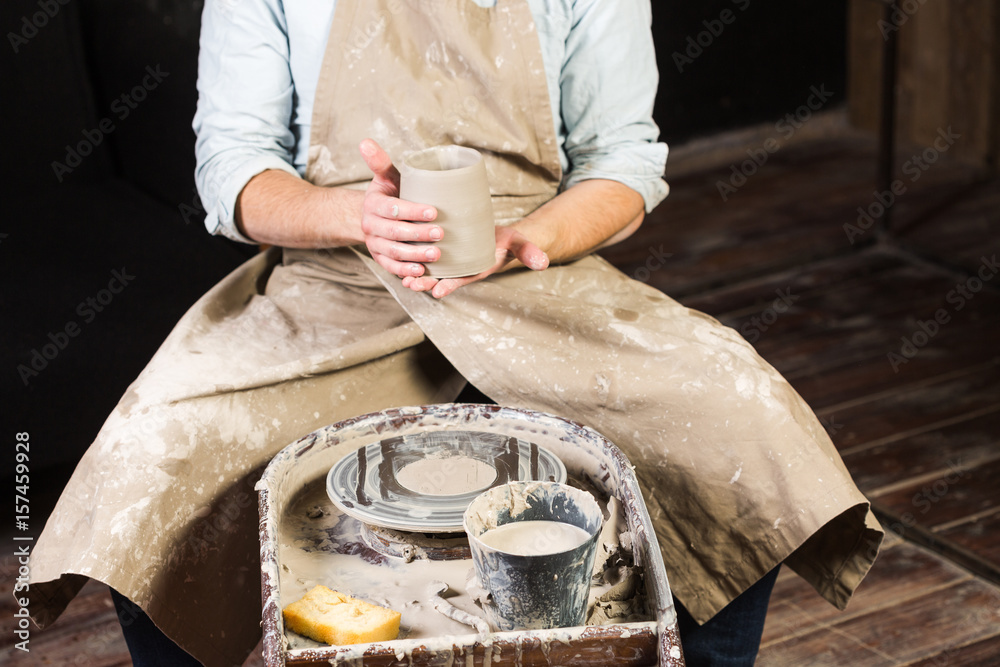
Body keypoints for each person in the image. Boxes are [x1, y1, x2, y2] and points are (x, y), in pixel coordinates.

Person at [28, 1, 883, 665]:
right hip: (339, 275)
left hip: (529, 277)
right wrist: (352, 215)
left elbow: (623, 160)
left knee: (739, 418)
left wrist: (538, 236)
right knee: (148, 460)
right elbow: (233, 168)